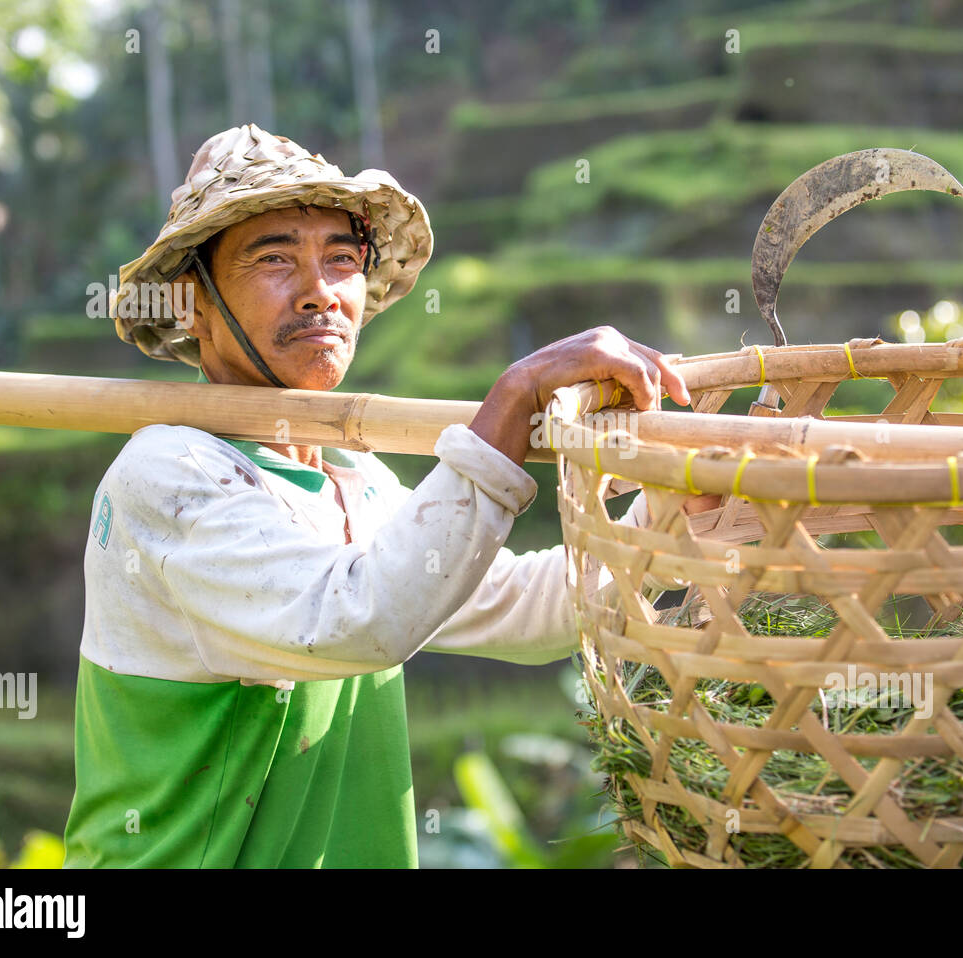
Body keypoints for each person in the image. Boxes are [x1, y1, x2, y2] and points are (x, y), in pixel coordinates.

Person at [61, 124, 696, 867]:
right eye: (273, 259)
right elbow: (359, 618)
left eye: (341, 259)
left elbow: (526, 606)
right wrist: (516, 397)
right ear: (194, 304)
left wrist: (676, 519)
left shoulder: (351, 479)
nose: (319, 293)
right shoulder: (168, 476)